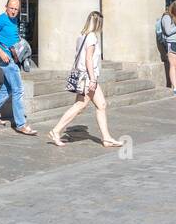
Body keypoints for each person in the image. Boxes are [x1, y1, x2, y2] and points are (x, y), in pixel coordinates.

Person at [48, 10, 124, 148]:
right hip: (88, 77)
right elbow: (88, 59)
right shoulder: (92, 38)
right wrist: (93, 79)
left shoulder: (81, 36)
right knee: (80, 105)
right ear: (99, 24)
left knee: (101, 105)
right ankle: (56, 130)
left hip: (83, 75)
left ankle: (106, 138)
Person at [0, 0, 36, 135]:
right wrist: (1, 52)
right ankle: (21, 125)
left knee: (7, 90)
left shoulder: (14, 19)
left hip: (15, 58)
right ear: (6, 7)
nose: (13, 11)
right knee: (18, 90)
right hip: (6, 60)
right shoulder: (1, 19)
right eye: (11, 8)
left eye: (16, 9)